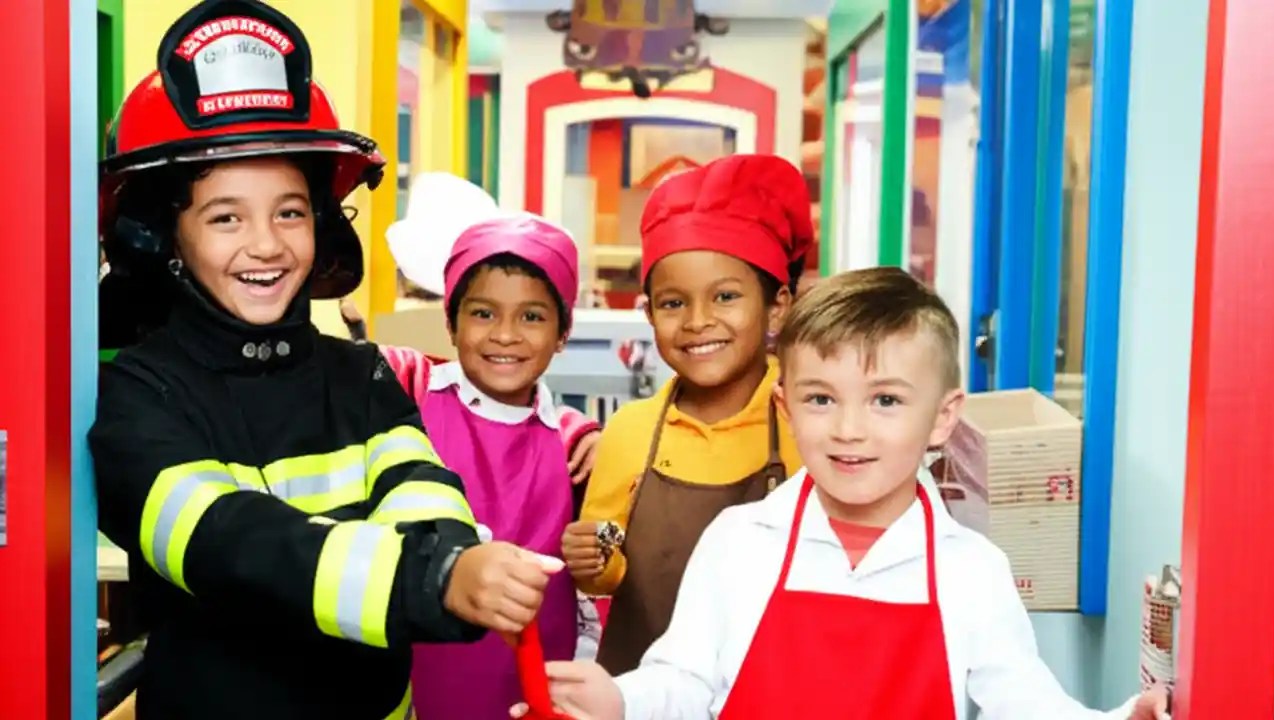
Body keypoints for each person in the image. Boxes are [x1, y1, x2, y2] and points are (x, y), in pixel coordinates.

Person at [89, 2, 556, 718]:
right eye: (225, 217)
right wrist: (431, 579)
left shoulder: (361, 374)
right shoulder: (137, 395)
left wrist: (450, 556)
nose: (267, 245)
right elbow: (230, 543)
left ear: (324, 223)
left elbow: (427, 499)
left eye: (290, 211)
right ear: (161, 237)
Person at [515, 268, 1170, 719]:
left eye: (886, 400)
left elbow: (1024, 702)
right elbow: (686, 681)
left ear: (943, 418)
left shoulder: (969, 569)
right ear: (786, 407)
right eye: (821, 399)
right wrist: (618, 701)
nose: (849, 429)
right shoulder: (741, 542)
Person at [562, 154, 814, 675]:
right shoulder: (630, 432)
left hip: (770, 691)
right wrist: (590, 559)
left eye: (725, 296)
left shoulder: (806, 425)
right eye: (673, 303)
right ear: (648, 313)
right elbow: (602, 574)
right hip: (642, 690)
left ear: (777, 305)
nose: (699, 322)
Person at [376, 174, 602, 718]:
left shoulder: (576, 440)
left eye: (532, 316)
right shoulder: (410, 389)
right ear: (450, 323)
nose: (505, 334)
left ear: (563, 333)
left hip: (532, 679)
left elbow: (605, 563)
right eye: (482, 313)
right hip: (412, 673)